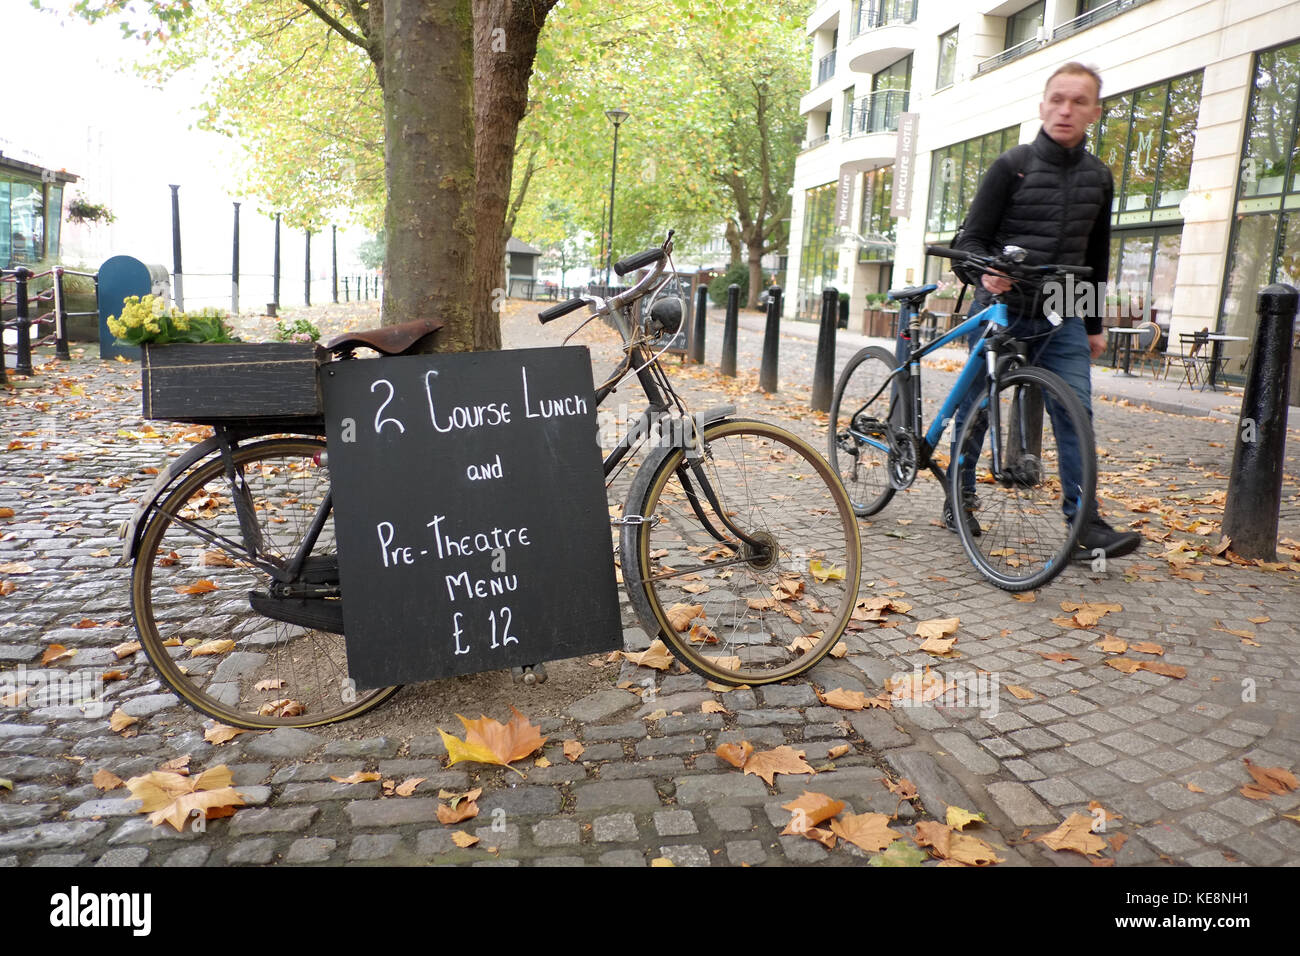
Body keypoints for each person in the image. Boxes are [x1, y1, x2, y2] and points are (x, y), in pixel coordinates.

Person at [948, 61, 1140, 560]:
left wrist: (1094, 325)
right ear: (1042, 105)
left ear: (1094, 112)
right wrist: (985, 273)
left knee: (1076, 413)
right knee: (977, 409)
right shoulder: (1011, 165)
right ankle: (959, 494)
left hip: (1063, 306)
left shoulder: (1099, 177)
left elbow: (1095, 258)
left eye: (1079, 101)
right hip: (1004, 302)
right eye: (1057, 98)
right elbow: (968, 240)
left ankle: (1084, 525)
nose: (1065, 109)